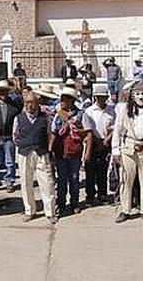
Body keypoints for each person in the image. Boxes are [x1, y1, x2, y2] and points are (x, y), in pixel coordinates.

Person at [112, 81, 143, 224]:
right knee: (126, 180)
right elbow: (118, 129)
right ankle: (125, 210)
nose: (140, 97)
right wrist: (115, 149)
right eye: (137, 94)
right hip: (128, 148)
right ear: (132, 96)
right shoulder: (125, 109)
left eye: (142, 94)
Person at [13, 90, 57, 224]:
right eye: (27, 102)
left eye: (32, 102)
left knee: (47, 182)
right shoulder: (18, 118)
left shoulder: (45, 117)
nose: (30, 105)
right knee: (26, 183)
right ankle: (29, 211)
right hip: (24, 153)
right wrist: (24, 145)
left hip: (41, 153)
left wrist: (47, 149)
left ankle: (50, 212)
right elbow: (15, 136)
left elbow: (50, 134)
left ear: (38, 103)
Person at [51, 87, 84, 217]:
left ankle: (74, 203)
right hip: (61, 151)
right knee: (62, 180)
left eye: (64, 99)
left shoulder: (80, 114)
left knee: (74, 179)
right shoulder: (58, 115)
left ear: (71, 101)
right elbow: (54, 131)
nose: (62, 102)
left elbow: (84, 132)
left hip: (74, 151)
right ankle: (62, 204)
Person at [82, 83, 115, 206]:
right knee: (90, 171)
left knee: (103, 170)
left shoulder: (111, 111)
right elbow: (87, 129)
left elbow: (115, 127)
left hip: (106, 142)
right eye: (99, 97)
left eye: (104, 97)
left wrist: (108, 138)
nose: (102, 99)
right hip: (93, 142)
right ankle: (90, 196)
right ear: (95, 97)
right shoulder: (89, 111)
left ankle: (102, 195)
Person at [0, 80, 20, 192]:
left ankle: (10, 181)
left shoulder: (14, 106)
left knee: (10, 161)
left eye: (5, 91)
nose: (3, 93)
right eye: (1, 91)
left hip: (9, 137)